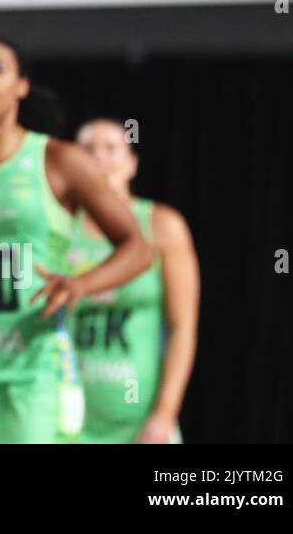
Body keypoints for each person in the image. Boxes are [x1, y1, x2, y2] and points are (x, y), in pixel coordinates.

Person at [0, 35, 153, 443]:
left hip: (32, 373)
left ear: (21, 85)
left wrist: (80, 284)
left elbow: (138, 247)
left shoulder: (60, 161)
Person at [70, 118, 199, 443]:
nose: (100, 157)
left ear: (132, 164)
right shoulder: (59, 229)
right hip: (67, 421)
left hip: (139, 424)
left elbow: (182, 328)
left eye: (112, 148)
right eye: (88, 149)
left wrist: (164, 415)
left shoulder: (162, 226)